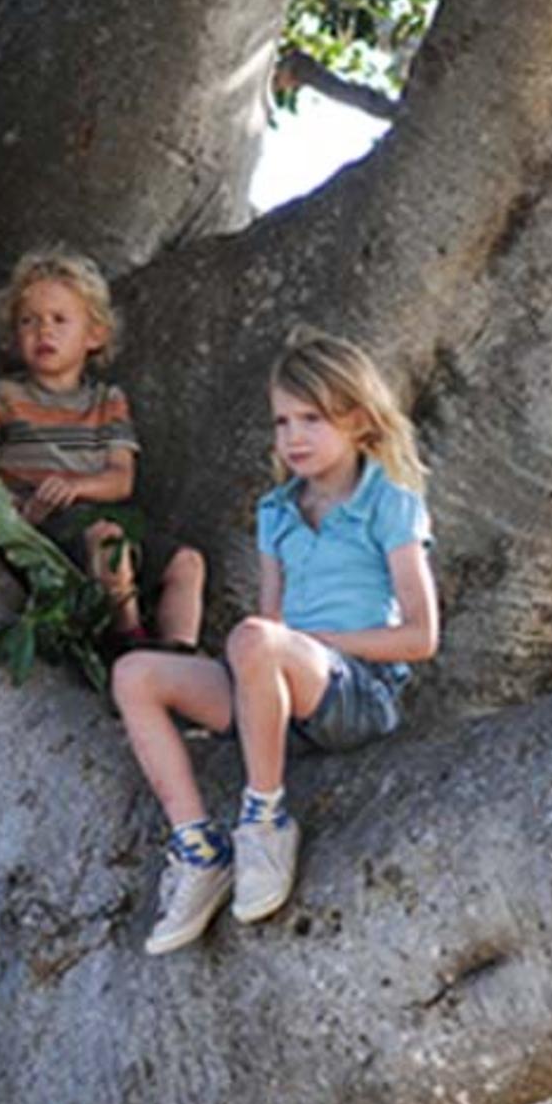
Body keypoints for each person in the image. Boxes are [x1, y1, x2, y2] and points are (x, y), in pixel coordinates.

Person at [112, 325, 439, 956]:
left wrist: (310, 640)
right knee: (136, 676)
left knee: (260, 639)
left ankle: (264, 818)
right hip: (280, 692)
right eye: (282, 422)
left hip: (356, 693)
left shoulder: (391, 506)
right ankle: (198, 848)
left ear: (360, 422)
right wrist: (274, 650)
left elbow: (421, 637)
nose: (293, 438)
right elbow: (265, 631)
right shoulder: (276, 513)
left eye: (312, 419)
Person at [0, 250, 205, 652]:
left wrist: (76, 486)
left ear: (94, 335)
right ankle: (128, 644)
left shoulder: (107, 401)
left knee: (187, 563)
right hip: (38, 527)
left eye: (60, 319)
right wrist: (12, 514)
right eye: (29, 321)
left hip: (96, 515)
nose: (44, 331)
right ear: (13, 336)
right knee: (108, 542)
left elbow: (121, 478)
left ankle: (181, 656)